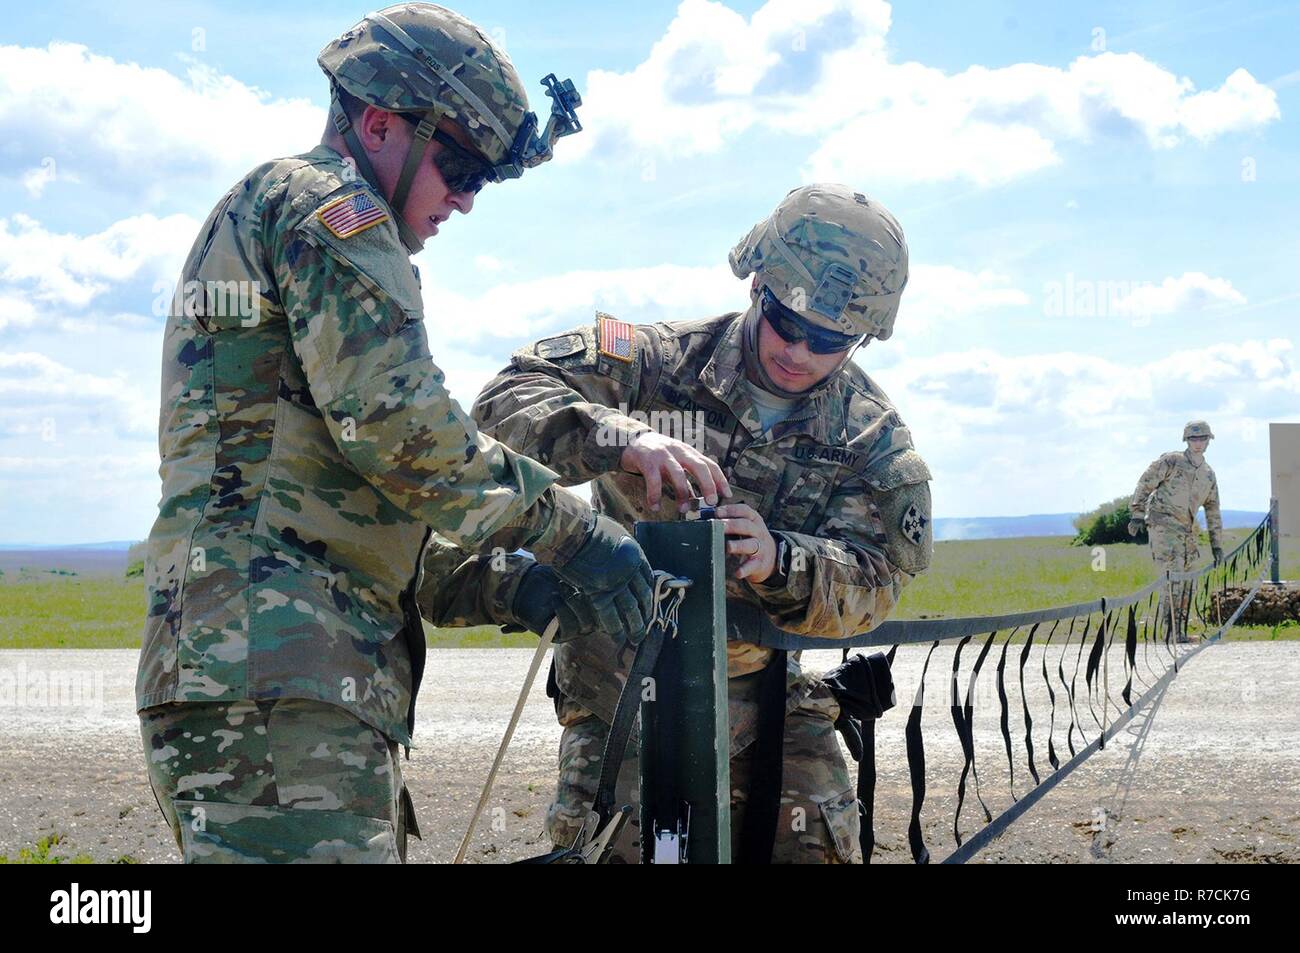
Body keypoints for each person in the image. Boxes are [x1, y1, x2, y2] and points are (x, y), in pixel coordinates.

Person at [136, 3, 655, 864]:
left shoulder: (291, 216)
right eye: (457, 164)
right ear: (378, 122)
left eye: (483, 177)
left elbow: (351, 492)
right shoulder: (328, 209)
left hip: (269, 677)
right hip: (279, 683)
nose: (464, 197)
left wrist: (511, 585)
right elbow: (401, 432)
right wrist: (575, 534)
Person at [472, 184, 933, 863]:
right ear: (757, 284)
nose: (801, 351)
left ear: (863, 335)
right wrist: (620, 438)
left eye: (831, 339)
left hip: (773, 701)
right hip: (629, 695)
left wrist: (781, 560)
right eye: (787, 320)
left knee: (818, 845)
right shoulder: (652, 358)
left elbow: (879, 578)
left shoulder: (869, 432)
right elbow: (504, 399)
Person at [1128, 420, 1223, 642]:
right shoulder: (1172, 461)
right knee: (1173, 579)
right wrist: (1137, 513)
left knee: (1190, 580)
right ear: (1186, 441)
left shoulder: (1209, 475)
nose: (1198, 443)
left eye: (1202, 439)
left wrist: (1216, 544)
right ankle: (1171, 633)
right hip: (1163, 525)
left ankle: (1179, 633)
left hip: (1186, 530)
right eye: (1193, 439)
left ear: (1209, 441)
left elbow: (1213, 510)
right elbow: (1145, 483)